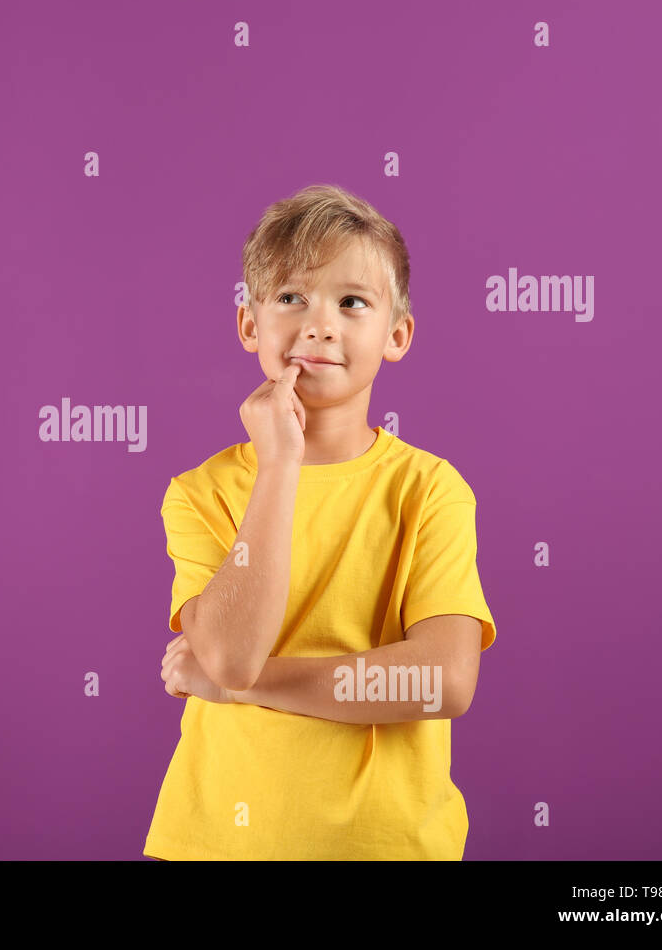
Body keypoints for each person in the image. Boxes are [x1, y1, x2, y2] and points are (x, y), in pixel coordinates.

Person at [143, 184, 497, 860]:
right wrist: (278, 466)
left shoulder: (430, 491)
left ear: (396, 335)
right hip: (212, 844)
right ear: (250, 325)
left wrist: (242, 687)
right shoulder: (200, 493)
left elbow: (440, 683)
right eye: (290, 298)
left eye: (352, 302)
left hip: (386, 848)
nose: (320, 324)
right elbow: (229, 655)